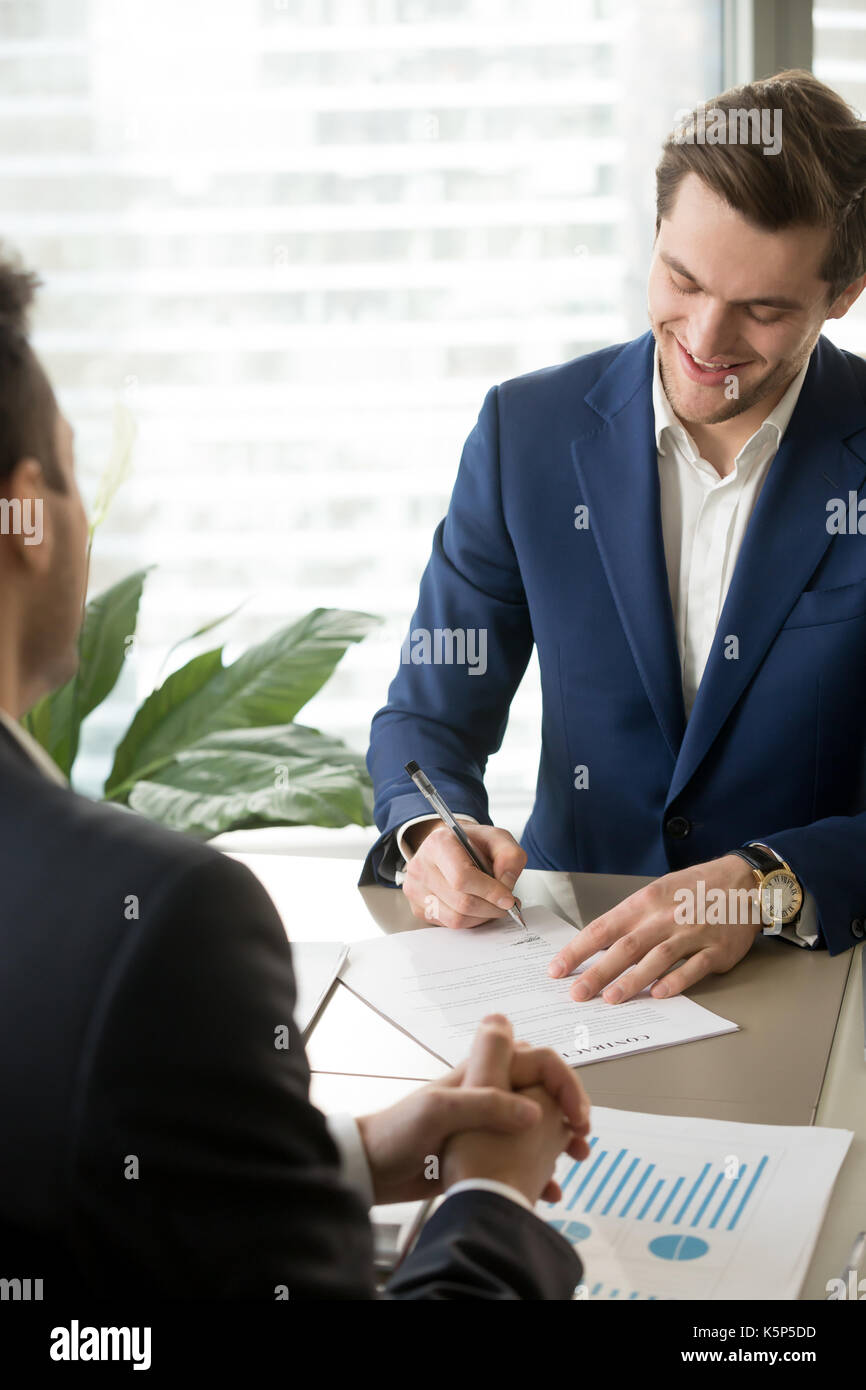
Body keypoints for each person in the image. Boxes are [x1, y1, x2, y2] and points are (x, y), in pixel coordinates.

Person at [0, 251, 591, 1300]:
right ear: (27, 518)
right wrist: (488, 1201)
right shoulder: (158, 924)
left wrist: (341, 1159)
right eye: (76, 473)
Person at [363, 69, 866, 1004]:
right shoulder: (526, 434)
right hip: (565, 968)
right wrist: (428, 830)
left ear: (844, 294)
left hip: (811, 971)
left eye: (763, 310)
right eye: (682, 280)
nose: (706, 339)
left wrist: (762, 885)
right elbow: (428, 717)